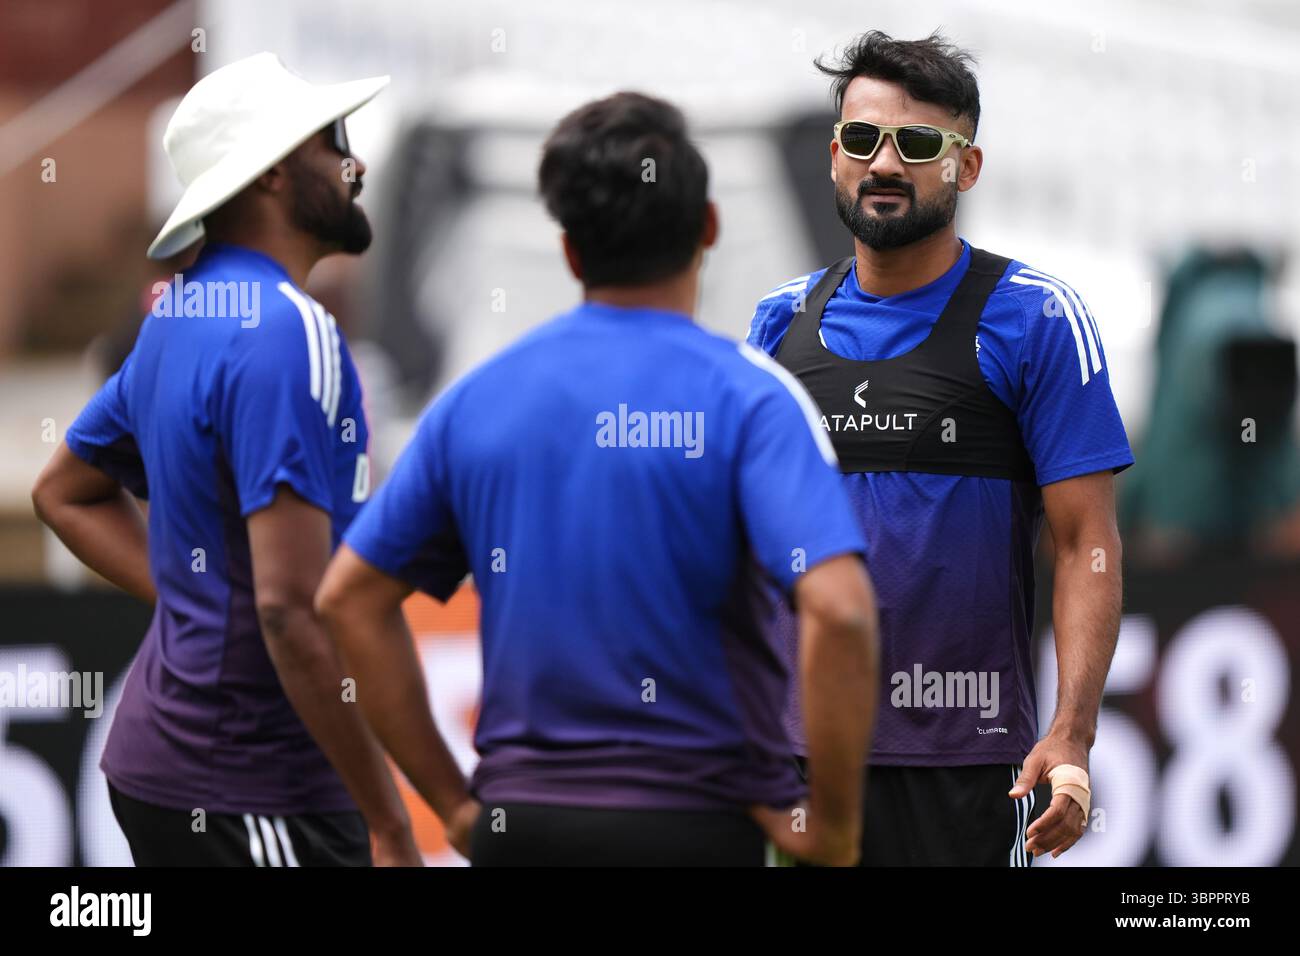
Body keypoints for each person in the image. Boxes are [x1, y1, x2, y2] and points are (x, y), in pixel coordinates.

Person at [315, 91, 880, 867]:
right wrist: (837, 829)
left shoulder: (477, 401)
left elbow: (347, 598)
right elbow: (843, 614)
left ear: (571, 252)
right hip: (697, 828)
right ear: (708, 228)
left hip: (525, 830)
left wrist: (450, 803)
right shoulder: (752, 398)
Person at [747, 31, 1134, 865]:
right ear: (834, 157)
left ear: (967, 165)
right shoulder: (778, 321)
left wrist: (1071, 735)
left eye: (918, 144)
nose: (884, 163)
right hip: (802, 766)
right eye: (862, 139)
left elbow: (1085, 543)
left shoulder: (1036, 317)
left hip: (971, 769)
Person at [31, 53, 420, 866]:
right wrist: (387, 818)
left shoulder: (184, 312)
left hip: (167, 771)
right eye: (335, 141)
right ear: (276, 172)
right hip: (255, 781)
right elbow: (287, 610)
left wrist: (190, 594)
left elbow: (62, 491)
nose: (357, 163)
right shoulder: (288, 330)